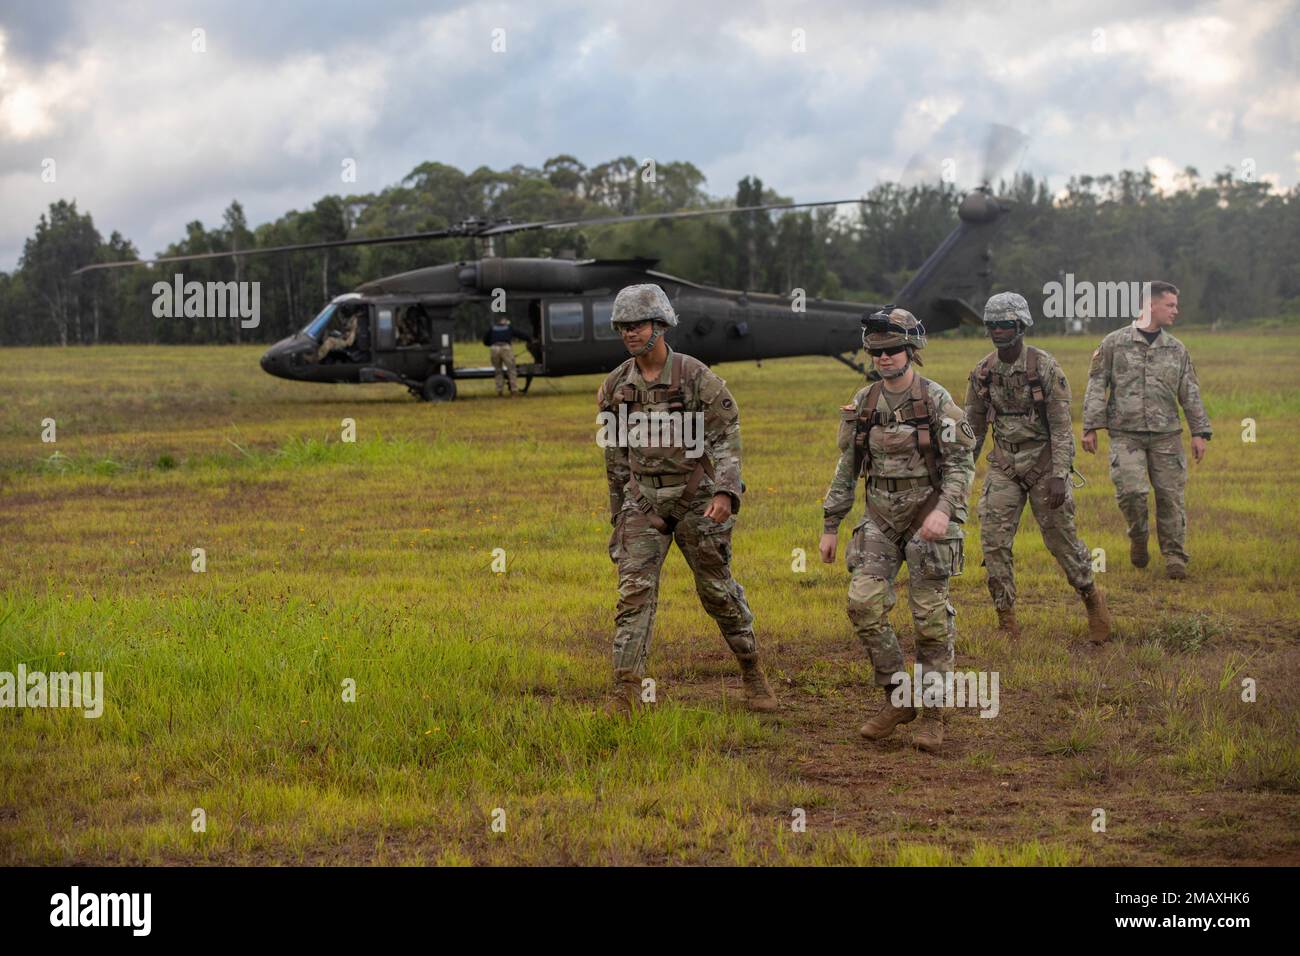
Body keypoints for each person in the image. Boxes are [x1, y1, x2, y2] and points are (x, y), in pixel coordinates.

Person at [597, 283, 777, 716]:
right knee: (633, 595)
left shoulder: (697, 376)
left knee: (716, 591)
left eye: (637, 325)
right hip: (643, 503)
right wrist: (618, 511)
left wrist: (726, 492)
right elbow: (615, 455)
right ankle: (625, 692)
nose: (630, 333)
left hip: (698, 501)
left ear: (660, 325)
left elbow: (726, 437)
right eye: (623, 327)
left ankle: (752, 669)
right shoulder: (617, 386)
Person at [819, 306, 975, 753]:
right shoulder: (864, 401)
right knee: (863, 604)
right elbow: (846, 467)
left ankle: (933, 716)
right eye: (877, 352)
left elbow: (963, 466)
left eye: (893, 350)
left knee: (929, 620)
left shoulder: (937, 401)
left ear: (911, 351)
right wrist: (831, 524)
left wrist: (944, 511)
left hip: (929, 516)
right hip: (880, 518)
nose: (885, 359)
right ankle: (896, 695)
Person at [964, 292, 1110, 643]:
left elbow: (1061, 427)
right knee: (993, 542)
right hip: (1004, 465)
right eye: (992, 325)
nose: (998, 331)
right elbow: (973, 428)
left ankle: (1091, 599)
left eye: (1005, 325)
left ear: (1021, 326)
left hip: (1045, 464)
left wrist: (1060, 474)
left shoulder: (1045, 367)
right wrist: (959, 475)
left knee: (1062, 540)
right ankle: (1006, 619)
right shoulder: (983, 373)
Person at [1081, 281, 1211, 579]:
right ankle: (1138, 538)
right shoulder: (1114, 343)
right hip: (1126, 435)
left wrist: (1199, 432)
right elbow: (1096, 385)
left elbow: (1190, 392)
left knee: (1170, 496)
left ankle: (1175, 557)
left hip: (1167, 435)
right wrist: (1091, 427)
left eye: (1176, 306)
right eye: (1170, 305)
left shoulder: (1177, 349)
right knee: (1132, 492)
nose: (1175, 311)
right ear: (1150, 305)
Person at [483, 315, 531, 396]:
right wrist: (529, 339)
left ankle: (499, 391)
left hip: (494, 348)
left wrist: (492, 343)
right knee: (511, 369)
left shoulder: (493, 328)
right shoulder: (508, 327)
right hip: (506, 348)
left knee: (498, 370)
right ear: (505, 321)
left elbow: (485, 340)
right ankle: (514, 391)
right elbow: (519, 334)